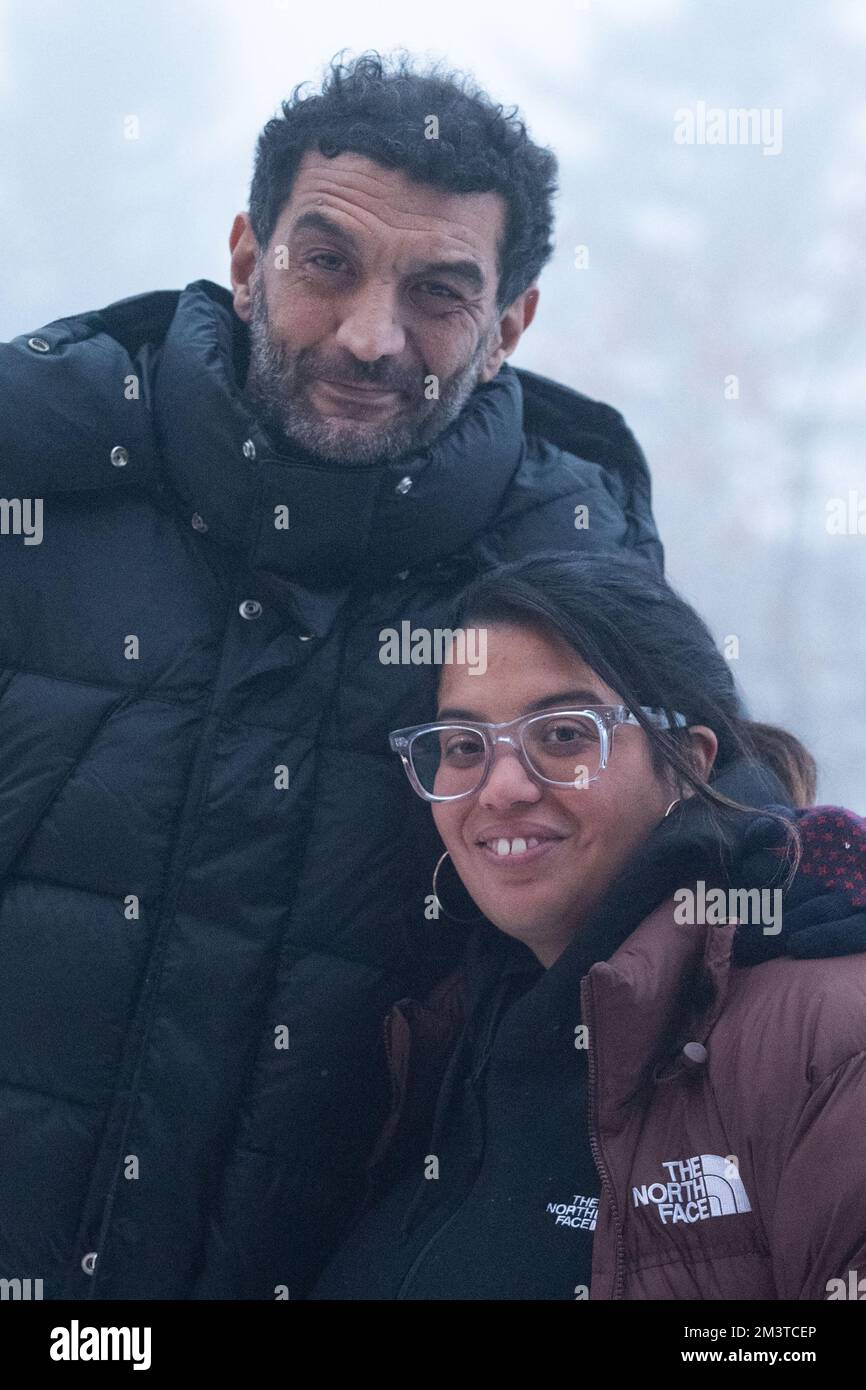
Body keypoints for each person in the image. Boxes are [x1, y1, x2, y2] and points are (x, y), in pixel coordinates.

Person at [0, 52, 662, 1299]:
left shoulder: (566, 581)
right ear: (249, 257)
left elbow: (676, 896)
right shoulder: (33, 496)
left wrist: (808, 911)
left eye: (437, 291)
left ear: (508, 324)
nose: (370, 335)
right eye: (326, 263)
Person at [310, 553, 866, 1300]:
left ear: (687, 761)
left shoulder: (825, 1040)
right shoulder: (444, 1037)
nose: (502, 788)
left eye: (565, 734)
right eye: (464, 746)